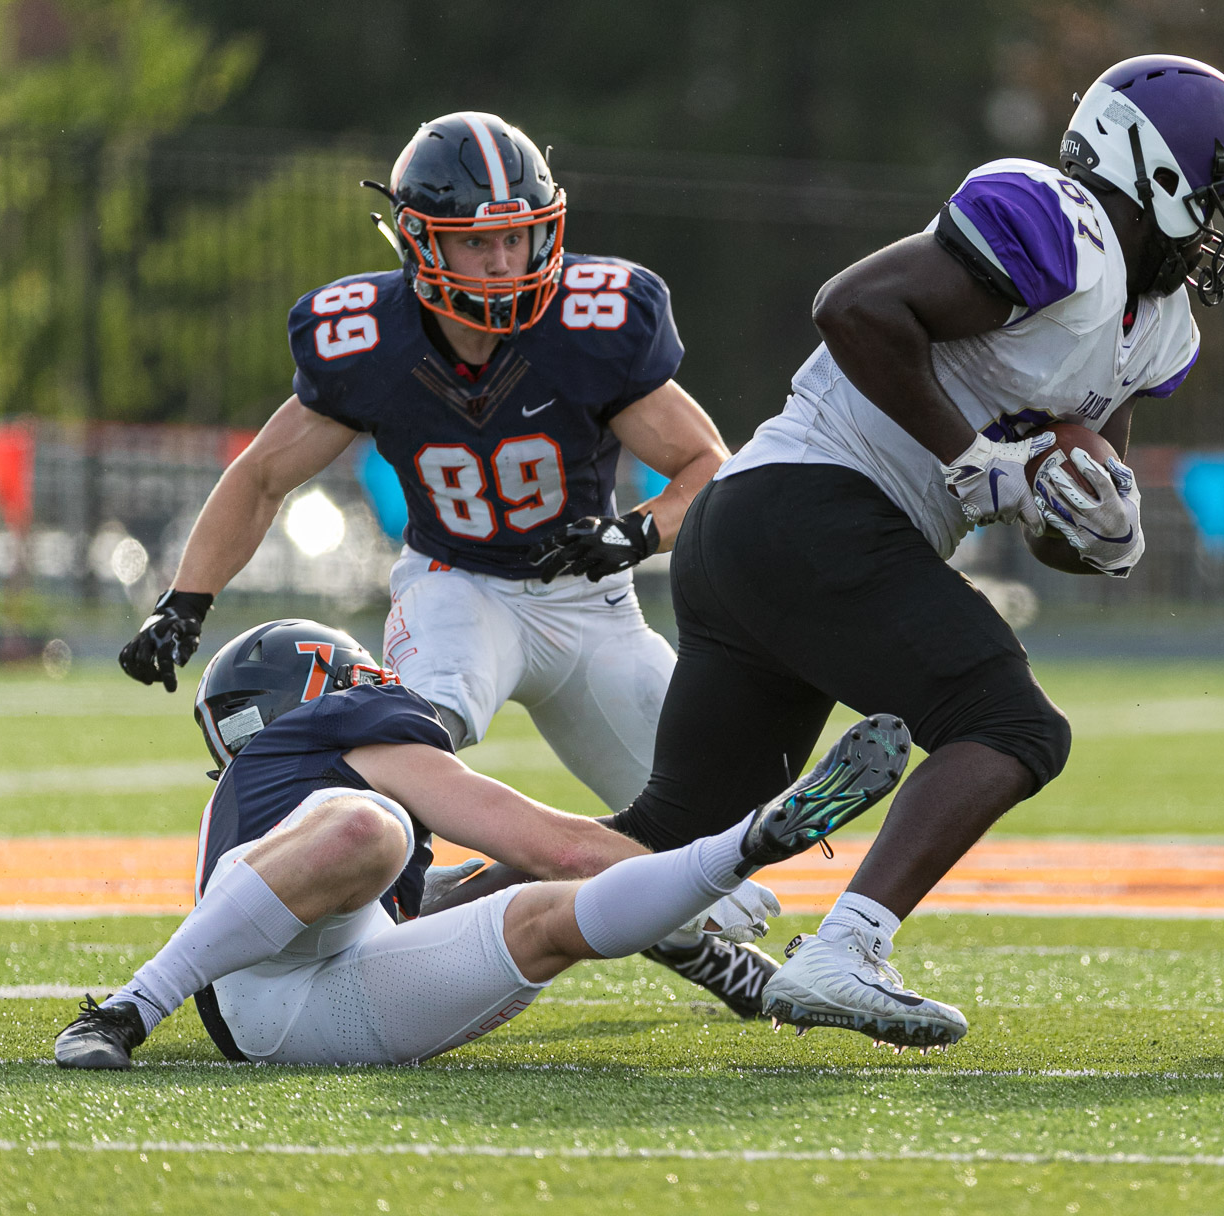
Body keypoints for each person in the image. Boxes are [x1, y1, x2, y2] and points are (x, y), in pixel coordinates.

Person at [601, 55, 1224, 1049]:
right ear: (1152, 173)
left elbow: (1050, 517)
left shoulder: (1159, 326)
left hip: (772, 535)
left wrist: (1101, 530)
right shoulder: (1062, 223)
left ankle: (414, 916)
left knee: (670, 833)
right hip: (810, 507)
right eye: (1213, 200)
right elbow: (853, 305)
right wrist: (970, 455)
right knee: (1012, 724)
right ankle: (847, 947)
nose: (1222, 232)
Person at [112, 112, 775, 1015]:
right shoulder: (368, 337)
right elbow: (263, 475)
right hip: (457, 588)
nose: (506, 265)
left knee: (718, 835)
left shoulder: (595, 321)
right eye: (481, 246)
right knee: (401, 743)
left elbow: (708, 469)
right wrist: (184, 599)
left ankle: (672, 941)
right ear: (421, 244)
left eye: (518, 240)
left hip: (591, 603)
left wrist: (634, 532)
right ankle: (346, 906)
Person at [56, 619, 910, 1069]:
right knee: (380, 829)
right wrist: (697, 873)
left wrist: (667, 876)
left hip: (323, 1003)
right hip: (270, 989)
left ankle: (735, 890)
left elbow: (422, 898)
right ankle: (127, 1009)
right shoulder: (344, 743)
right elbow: (559, 840)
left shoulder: (275, 780)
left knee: (543, 911)